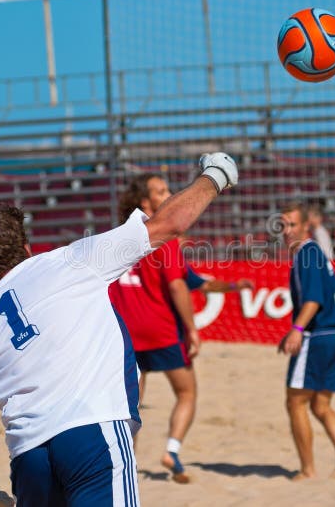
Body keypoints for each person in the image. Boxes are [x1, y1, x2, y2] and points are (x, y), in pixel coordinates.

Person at [0, 152, 238, 506]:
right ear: (26, 246)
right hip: (93, 433)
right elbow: (170, 224)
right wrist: (217, 174)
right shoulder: (72, 260)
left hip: (28, 457)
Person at [108, 174, 210, 484]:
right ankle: (172, 451)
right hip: (160, 331)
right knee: (187, 392)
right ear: (145, 202)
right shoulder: (163, 236)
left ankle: (128, 467)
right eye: (161, 190)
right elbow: (178, 287)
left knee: (130, 406)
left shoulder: (116, 237)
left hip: (125, 333)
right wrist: (191, 328)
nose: (168, 193)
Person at [276, 201, 335, 481]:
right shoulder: (314, 253)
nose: (285, 230)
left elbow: (313, 300)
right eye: (282, 224)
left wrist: (296, 329)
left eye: (292, 224)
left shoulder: (305, 254)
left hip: (316, 337)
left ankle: (308, 469)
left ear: (306, 226)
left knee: (295, 402)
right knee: (320, 406)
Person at [183, 262, 254, 294]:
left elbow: (207, 286)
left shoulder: (183, 267)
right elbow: (207, 286)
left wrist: (234, 285)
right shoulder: (180, 266)